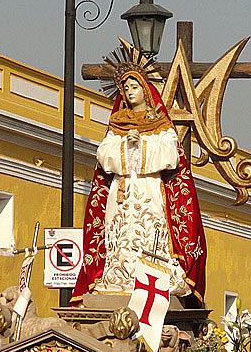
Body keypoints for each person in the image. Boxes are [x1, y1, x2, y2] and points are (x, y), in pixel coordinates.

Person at [71, 64, 206, 305]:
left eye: (135, 87)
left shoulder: (161, 123)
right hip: (121, 191)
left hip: (150, 189)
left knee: (151, 232)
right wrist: (125, 145)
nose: (130, 92)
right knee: (118, 232)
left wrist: (140, 144)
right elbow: (104, 156)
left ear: (145, 89)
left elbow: (170, 156)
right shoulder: (117, 123)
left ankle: (151, 279)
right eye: (126, 87)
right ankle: (118, 278)